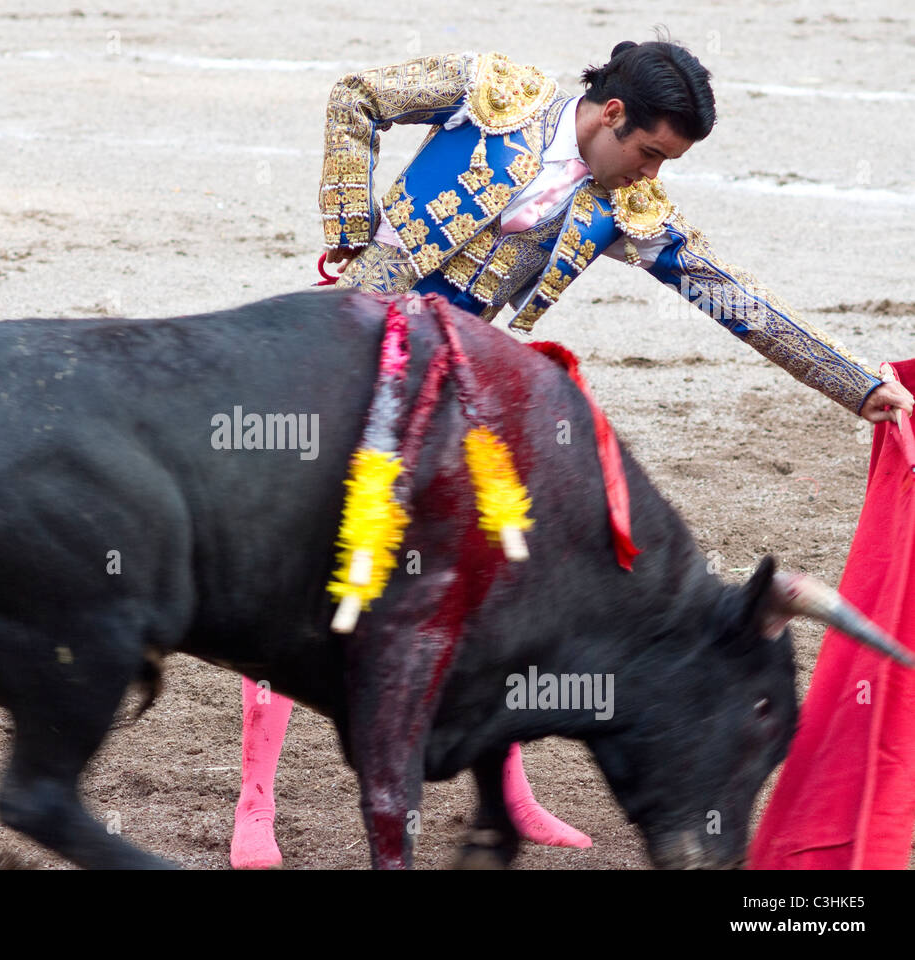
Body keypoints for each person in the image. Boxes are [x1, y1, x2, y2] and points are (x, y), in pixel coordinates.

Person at [230, 39, 914, 870]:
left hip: (460, 393)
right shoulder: (491, 93)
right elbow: (355, 94)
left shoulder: (624, 206)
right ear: (612, 113)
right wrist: (349, 236)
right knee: (308, 563)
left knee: (500, 570)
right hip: (349, 358)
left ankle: (508, 797)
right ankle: (256, 800)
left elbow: (729, 296)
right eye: (648, 152)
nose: (648, 175)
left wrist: (856, 385)